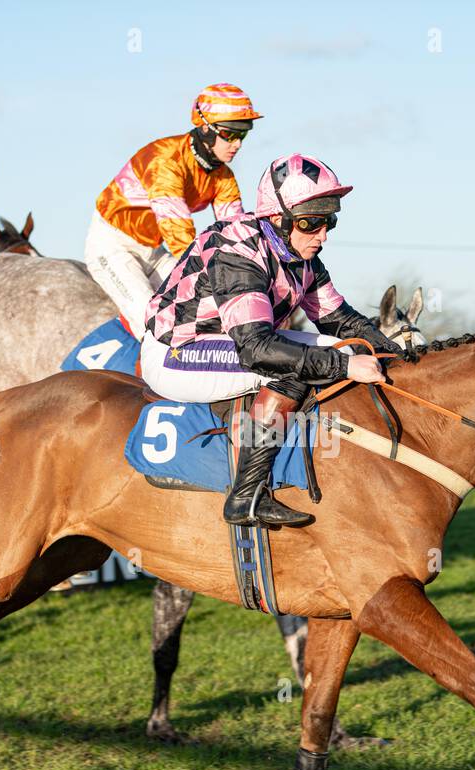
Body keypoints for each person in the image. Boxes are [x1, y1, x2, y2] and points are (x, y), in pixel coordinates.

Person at [140, 153, 405, 528]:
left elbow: (339, 320)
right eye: (311, 223)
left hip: (232, 341)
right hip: (177, 351)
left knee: (338, 349)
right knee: (294, 368)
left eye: (328, 221)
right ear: (277, 219)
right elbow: (257, 349)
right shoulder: (237, 249)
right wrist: (346, 365)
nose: (323, 235)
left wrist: (398, 354)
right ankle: (246, 496)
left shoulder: (303, 255)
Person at [87, 83, 258, 340]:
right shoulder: (166, 160)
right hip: (112, 246)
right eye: (230, 134)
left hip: (153, 252)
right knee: (155, 323)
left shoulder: (223, 176)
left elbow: (235, 233)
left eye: (243, 135)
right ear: (204, 128)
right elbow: (178, 233)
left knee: (214, 309)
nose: (237, 144)